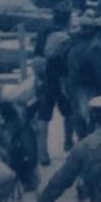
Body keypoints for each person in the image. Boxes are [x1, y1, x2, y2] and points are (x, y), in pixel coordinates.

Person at [33, 9, 75, 166]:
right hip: (58, 78)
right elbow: (65, 59)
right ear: (67, 20)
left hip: (42, 77)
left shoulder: (43, 32)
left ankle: (42, 153)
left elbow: (37, 54)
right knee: (69, 112)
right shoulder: (63, 35)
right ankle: (68, 142)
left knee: (43, 115)